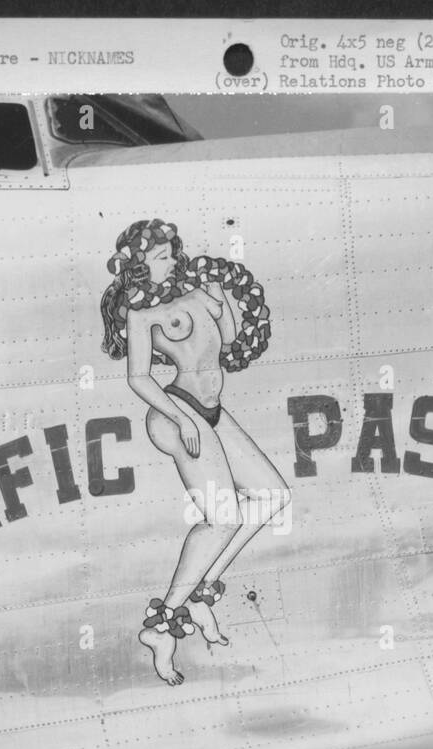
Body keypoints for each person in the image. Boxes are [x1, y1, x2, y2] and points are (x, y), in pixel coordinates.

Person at [100, 219, 285, 686]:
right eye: (158, 257)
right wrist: (183, 420)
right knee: (222, 516)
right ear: (139, 266)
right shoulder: (141, 316)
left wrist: (221, 306)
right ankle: (161, 629)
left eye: (169, 253)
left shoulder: (196, 295)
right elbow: (138, 378)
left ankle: (202, 593)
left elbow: (229, 340)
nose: (168, 262)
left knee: (271, 495)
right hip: (175, 412)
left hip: (210, 408)